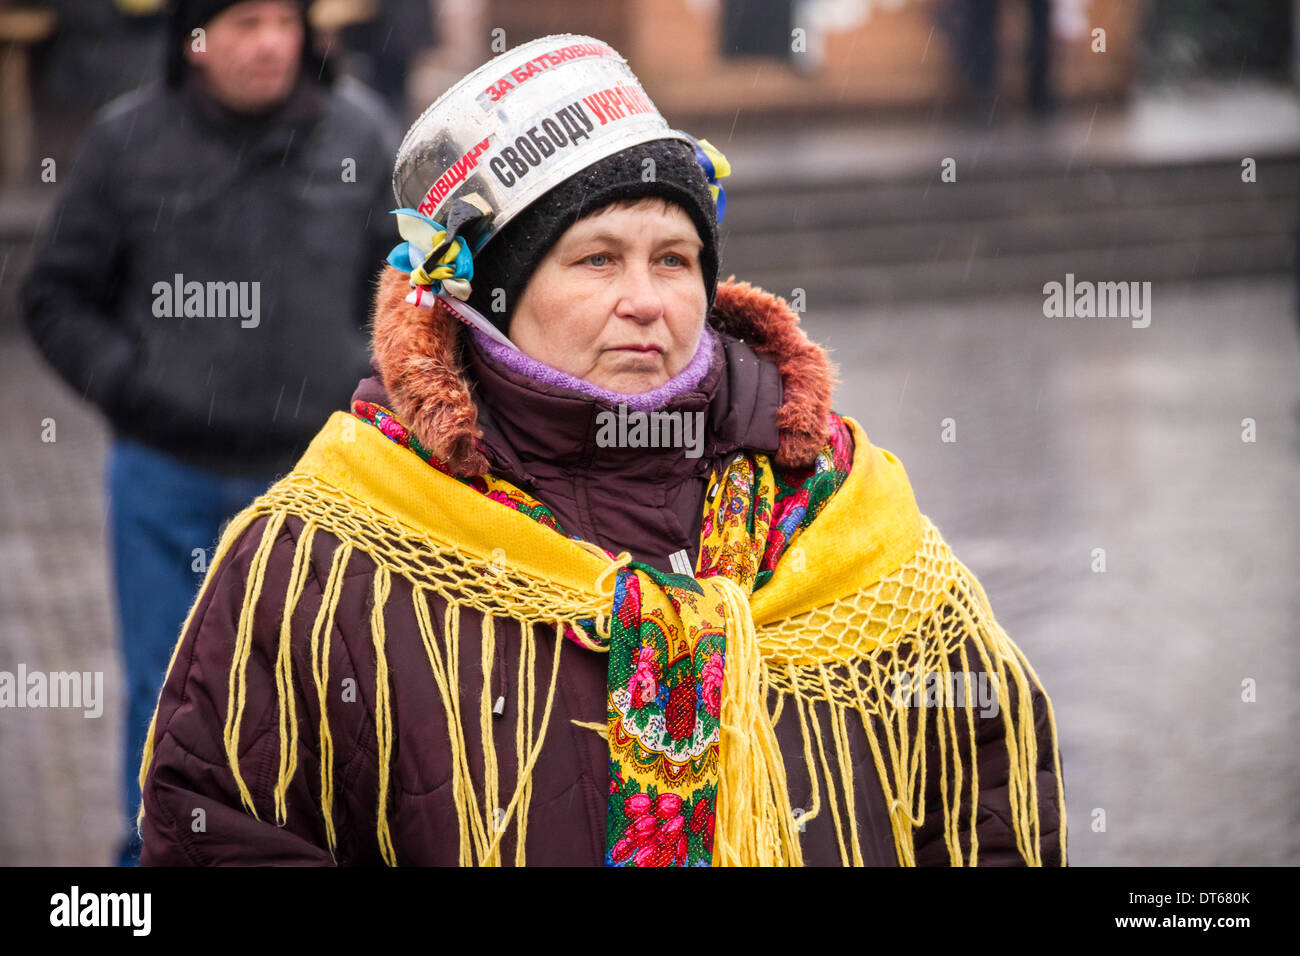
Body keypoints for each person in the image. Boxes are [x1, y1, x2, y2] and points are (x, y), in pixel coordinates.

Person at [136, 33, 1067, 866]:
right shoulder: (332, 552)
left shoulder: (839, 510)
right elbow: (216, 823)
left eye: (674, 258)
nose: (648, 300)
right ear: (489, 297)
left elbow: (990, 792)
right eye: (596, 260)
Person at [20, 0, 401, 866]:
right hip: (167, 480)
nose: (268, 42)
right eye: (240, 23)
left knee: (320, 696)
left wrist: (360, 385)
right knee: (170, 690)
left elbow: (403, 290)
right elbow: (53, 295)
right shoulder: (127, 142)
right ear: (193, 41)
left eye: (282, 20)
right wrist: (130, 384)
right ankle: (146, 862)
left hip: (318, 489)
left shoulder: (361, 136)